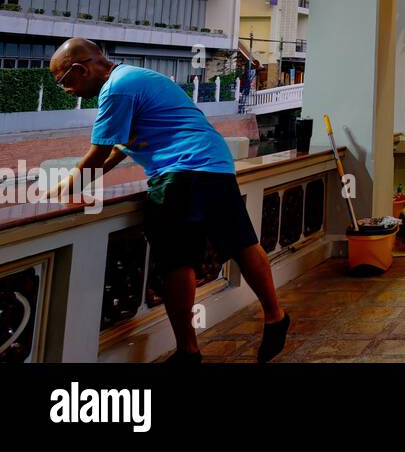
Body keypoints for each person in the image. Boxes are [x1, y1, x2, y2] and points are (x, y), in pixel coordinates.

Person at [48, 38, 290, 363]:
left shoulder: (116, 89)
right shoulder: (137, 77)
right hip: (215, 164)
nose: (67, 90)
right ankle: (275, 316)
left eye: (65, 82)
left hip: (179, 174)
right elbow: (122, 146)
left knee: (177, 263)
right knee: (242, 243)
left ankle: (188, 351)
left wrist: (61, 190)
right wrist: (90, 179)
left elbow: (99, 151)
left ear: (81, 68)